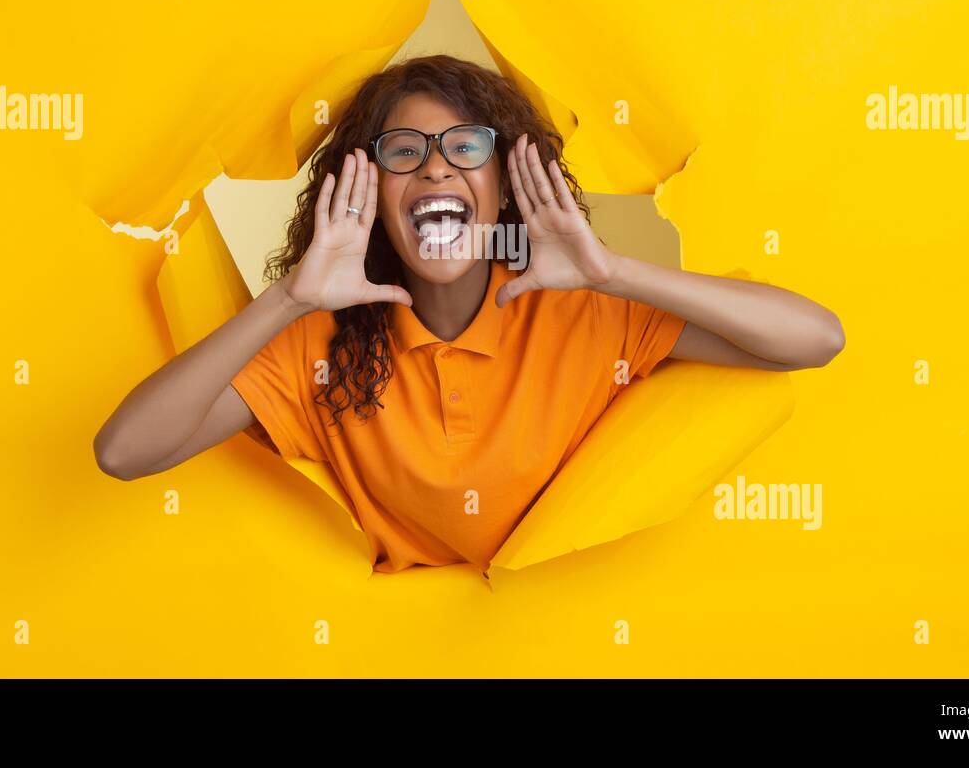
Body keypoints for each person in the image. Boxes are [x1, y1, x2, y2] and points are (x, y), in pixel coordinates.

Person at [93, 55, 844, 573]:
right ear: (372, 193)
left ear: (506, 182)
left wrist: (610, 271)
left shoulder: (586, 315)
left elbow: (815, 338)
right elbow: (124, 452)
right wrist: (290, 295)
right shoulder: (318, 344)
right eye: (405, 151)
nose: (436, 167)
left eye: (464, 147)